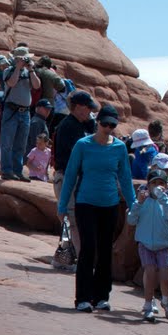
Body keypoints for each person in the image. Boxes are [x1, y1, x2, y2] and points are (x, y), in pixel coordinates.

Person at [57, 103, 135, 312]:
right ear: (97, 122)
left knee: (104, 251)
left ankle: (101, 297)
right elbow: (71, 175)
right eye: (105, 124)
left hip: (109, 204)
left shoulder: (119, 147)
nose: (108, 128)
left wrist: (133, 205)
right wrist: (62, 205)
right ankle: (82, 298)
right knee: (88, 249)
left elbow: (125, 179)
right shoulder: (83, 145)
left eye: (112, 125)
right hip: (85, 203)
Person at [129, 163, 168, 322]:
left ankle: (167, 301)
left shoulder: (167, 202)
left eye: (161, 183)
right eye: (154, 183)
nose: (157, 186)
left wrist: (164, 198)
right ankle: (148, 305)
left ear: (166, 186)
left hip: (163, 245)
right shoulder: (142, 201)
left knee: (164, 276)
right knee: (150, 273)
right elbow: (131, 220)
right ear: (148, 185)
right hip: (145, 244)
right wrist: (138, 203)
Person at [51, 90, 97, 259]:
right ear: (78, 107)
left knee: (73, 219)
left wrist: (91, 121)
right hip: (67, 178)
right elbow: (75, 157)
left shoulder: (81, 124)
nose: (90, 112)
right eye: (88, 109)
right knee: (71, 220)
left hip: (76, 178)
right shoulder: (69, 126)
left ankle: (67, 254)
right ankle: (77, 259)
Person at [0, 44, 41, 180]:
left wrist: (31, 70)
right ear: (16, 59)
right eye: (23, 59)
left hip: (25, 112)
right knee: (7, 142)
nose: (25, 61)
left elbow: (37, 85)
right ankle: (7, 170)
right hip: (12, 111)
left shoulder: (29, 72)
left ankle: (17, 171)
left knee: (21, 144)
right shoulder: (9, 71)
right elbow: (11, 83)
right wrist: (18, 67)